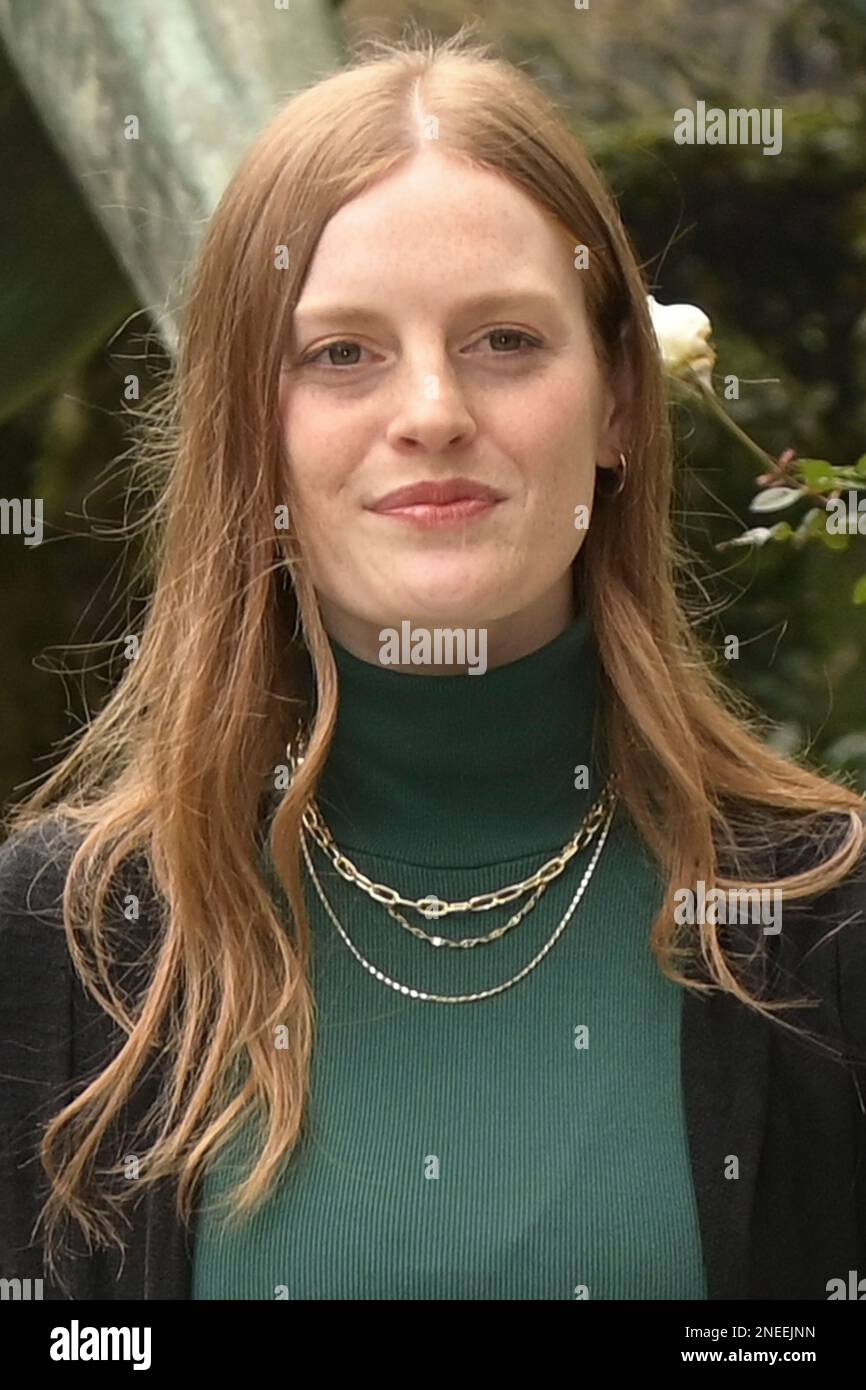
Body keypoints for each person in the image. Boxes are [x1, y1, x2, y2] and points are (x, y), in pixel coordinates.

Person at [1, 27, 865, 1303]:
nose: (431, 411)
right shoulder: (52, 945)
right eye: (339, 352)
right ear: (248, 425)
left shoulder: (824, 930)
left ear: (621, 398)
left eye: (504, 339)